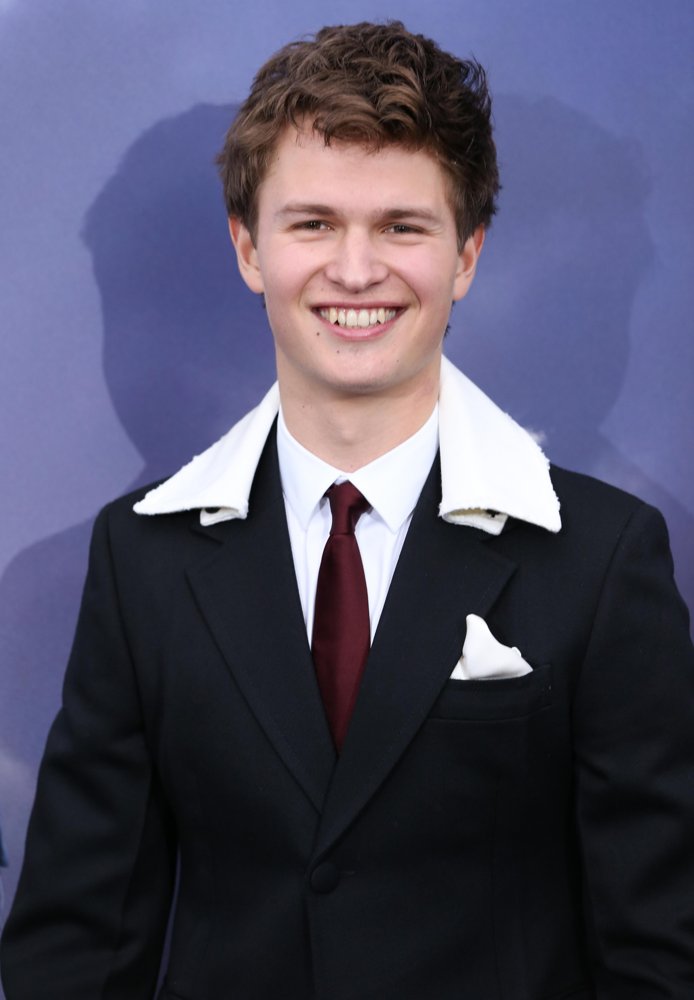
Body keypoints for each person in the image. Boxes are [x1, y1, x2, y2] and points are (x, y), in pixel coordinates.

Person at [2, 20, 693, 1000]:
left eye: (401, 226)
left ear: (466, 255)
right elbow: (76, 949)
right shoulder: (143, 557)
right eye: (314, 224)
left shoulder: (603, 557)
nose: (357, 270)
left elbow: (660, 950)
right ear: (249, 248)